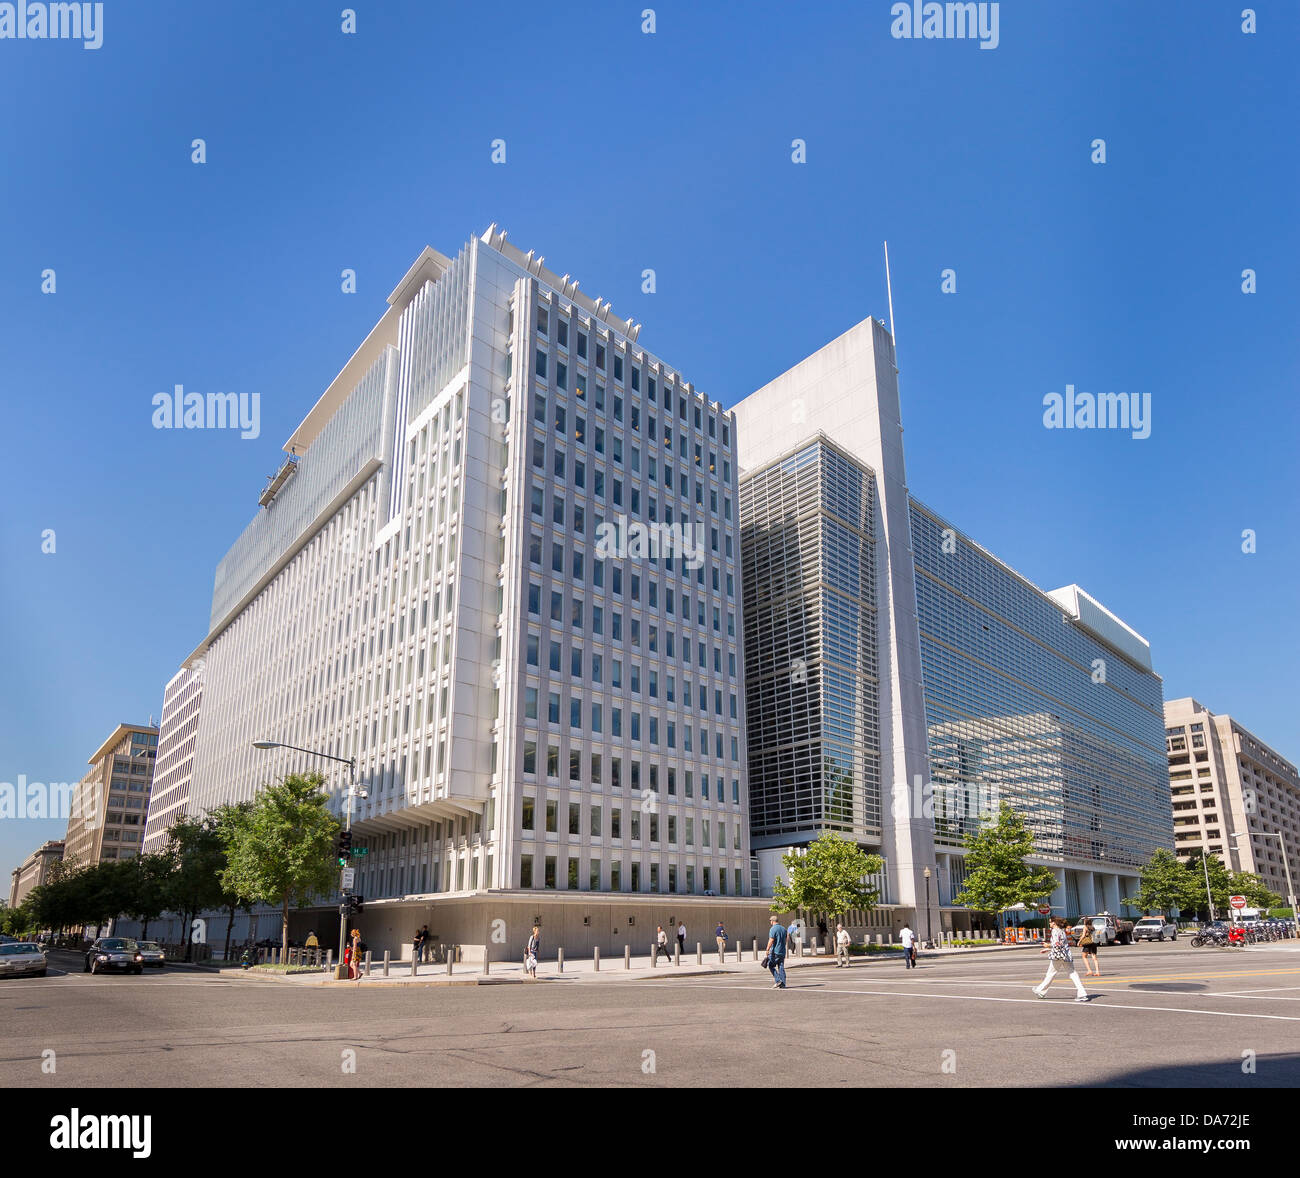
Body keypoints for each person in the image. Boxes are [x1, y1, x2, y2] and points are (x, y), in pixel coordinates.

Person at [1033, 917, 1089, 1002]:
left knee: (1051, 974)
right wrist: (1048, 949)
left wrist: (1047, 946)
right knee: (1073, 973)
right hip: (1066, 955)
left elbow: (1057, 944)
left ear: (1054, 923)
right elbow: (1061, 944)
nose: (1049, 924)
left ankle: (1041, 990)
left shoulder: (1055, 931)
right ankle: (1082, 993)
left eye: (1050, 922)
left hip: (1058, 956)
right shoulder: (1062, 931)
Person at [764, 916, 788, 989]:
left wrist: (767, 949)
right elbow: (787, 939)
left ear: (772, 921)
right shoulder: (783, 928)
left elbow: (771, 940)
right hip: (782, 951)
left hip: (775, 951)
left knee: (770, 965)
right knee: (781, 967)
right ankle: (783, 984)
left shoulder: (773, 929)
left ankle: (778, 981)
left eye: (770, 921)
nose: (770, 922)